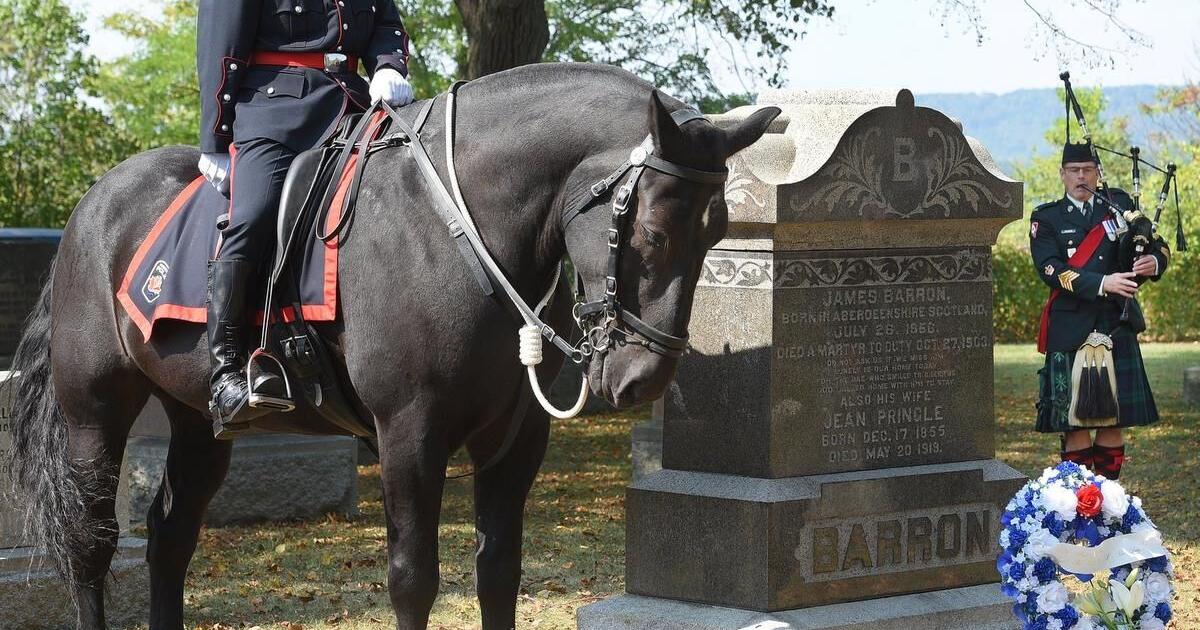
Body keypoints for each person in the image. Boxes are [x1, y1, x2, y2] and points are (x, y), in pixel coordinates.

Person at [196, 0, 415, 438]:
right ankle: (226, 371)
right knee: (252, 217)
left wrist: (388, 66)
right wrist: (215, 138)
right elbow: (219, 42)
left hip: (356, 105)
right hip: (276, 110)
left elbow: (385, 21)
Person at [1029, 141, 1170, 479]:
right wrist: (1102, 283)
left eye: (1088, 170)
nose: (1082, 177)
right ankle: (1079, 502)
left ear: (1097, 173)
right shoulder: (1045, 218)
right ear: (1062, 174)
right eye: (1074, 171)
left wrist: (1155, 261)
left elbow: (1156, 243)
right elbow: (1049, 268)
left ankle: (1108, 501)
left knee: (1114, 420)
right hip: (1070, 328)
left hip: (1116, 323)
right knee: (1073, 423)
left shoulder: (1119, 205)